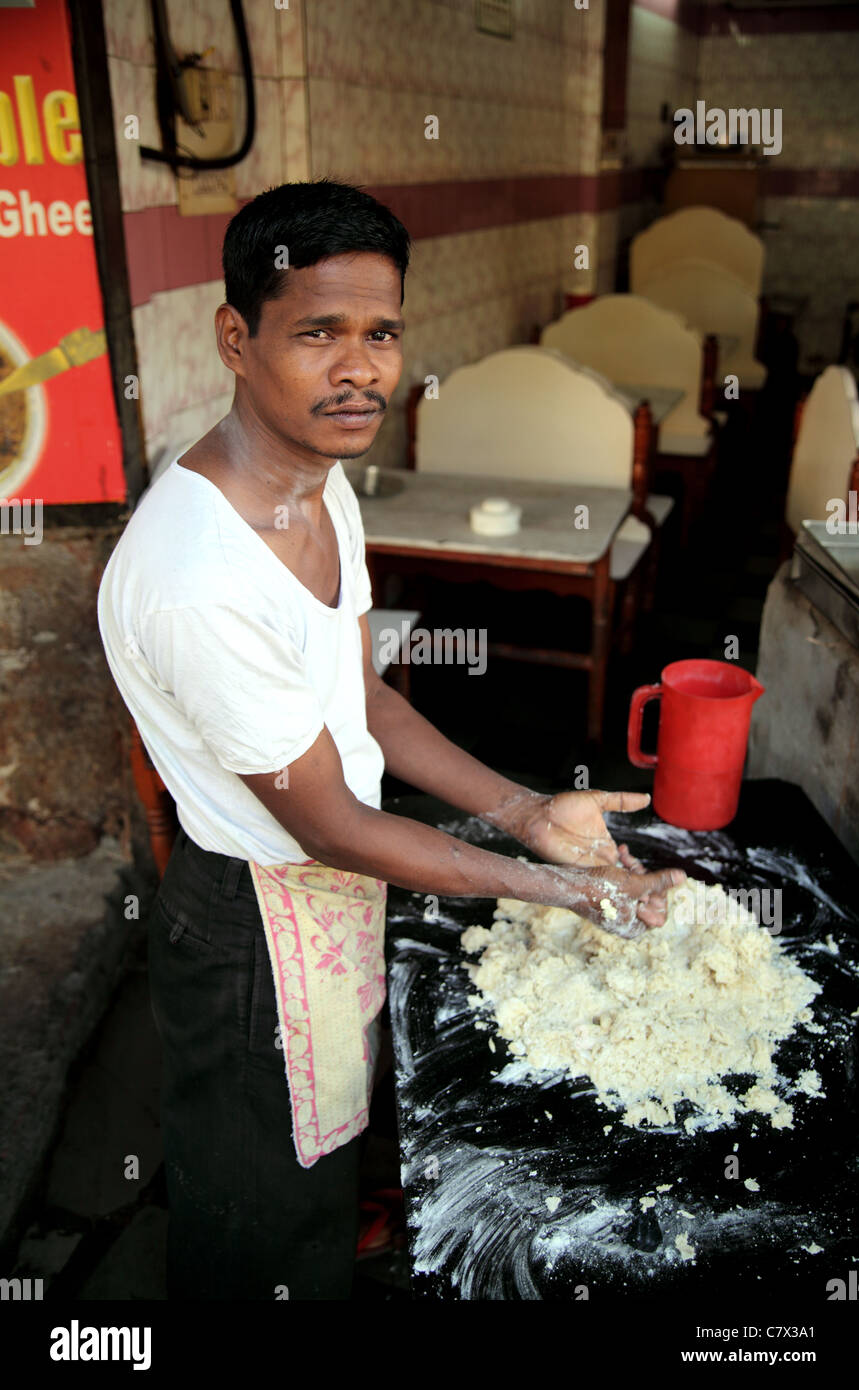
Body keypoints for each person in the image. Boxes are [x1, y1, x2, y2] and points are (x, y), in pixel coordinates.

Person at [97, 178, 684, 1301]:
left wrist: (524, 809)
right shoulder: (198, 576)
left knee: (324, 1166)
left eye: (379, 333)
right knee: (257, 1229)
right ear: (235, 336)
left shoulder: (319, 482)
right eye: (316, 332)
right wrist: (561, 893)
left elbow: (361, 700)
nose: (358, 368)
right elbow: (327, 820)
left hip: (331, 881)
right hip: (249, 930)